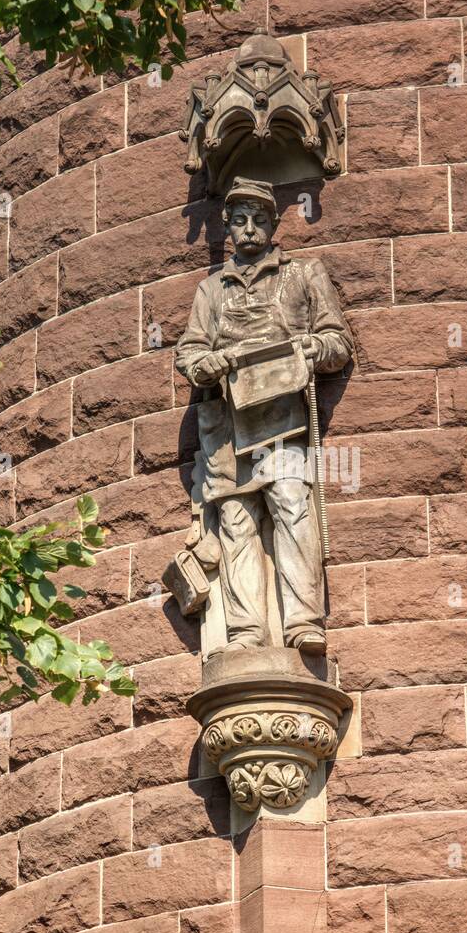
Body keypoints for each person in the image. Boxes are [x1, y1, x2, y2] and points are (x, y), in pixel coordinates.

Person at [175, 177, 353, 654]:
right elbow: (188, 353)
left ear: (273, 225)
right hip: (227, 424)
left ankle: (302, 622)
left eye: (258, 220)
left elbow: (338, 342)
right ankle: (246, 632)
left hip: (283, 417)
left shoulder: (303, 274)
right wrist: (203, 364)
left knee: (293, 505)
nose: (248, 229)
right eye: (238, 221)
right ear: (228, 229)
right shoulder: (210, 291)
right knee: (236, 521)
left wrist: (313, 348)